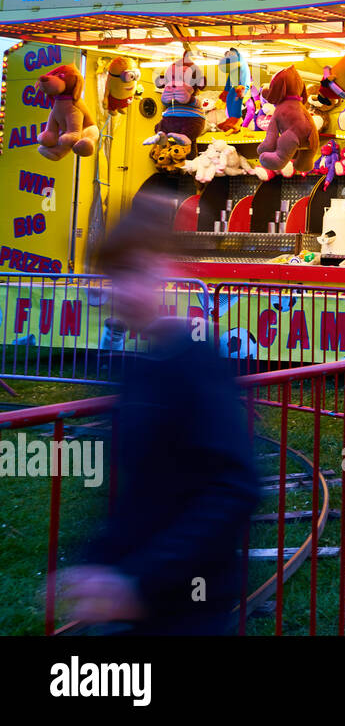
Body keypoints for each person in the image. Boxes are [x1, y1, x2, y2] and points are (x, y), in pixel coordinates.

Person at [64, 196, 260, 635]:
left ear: (161, 271)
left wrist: (139, 578)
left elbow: (233, 489)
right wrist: (97, 562)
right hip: (140, 599)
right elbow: (133, 492)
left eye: (132, 272)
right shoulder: (139, 367)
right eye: (113, 276)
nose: (120, 290)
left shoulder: (195, 362)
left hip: (188, 606)